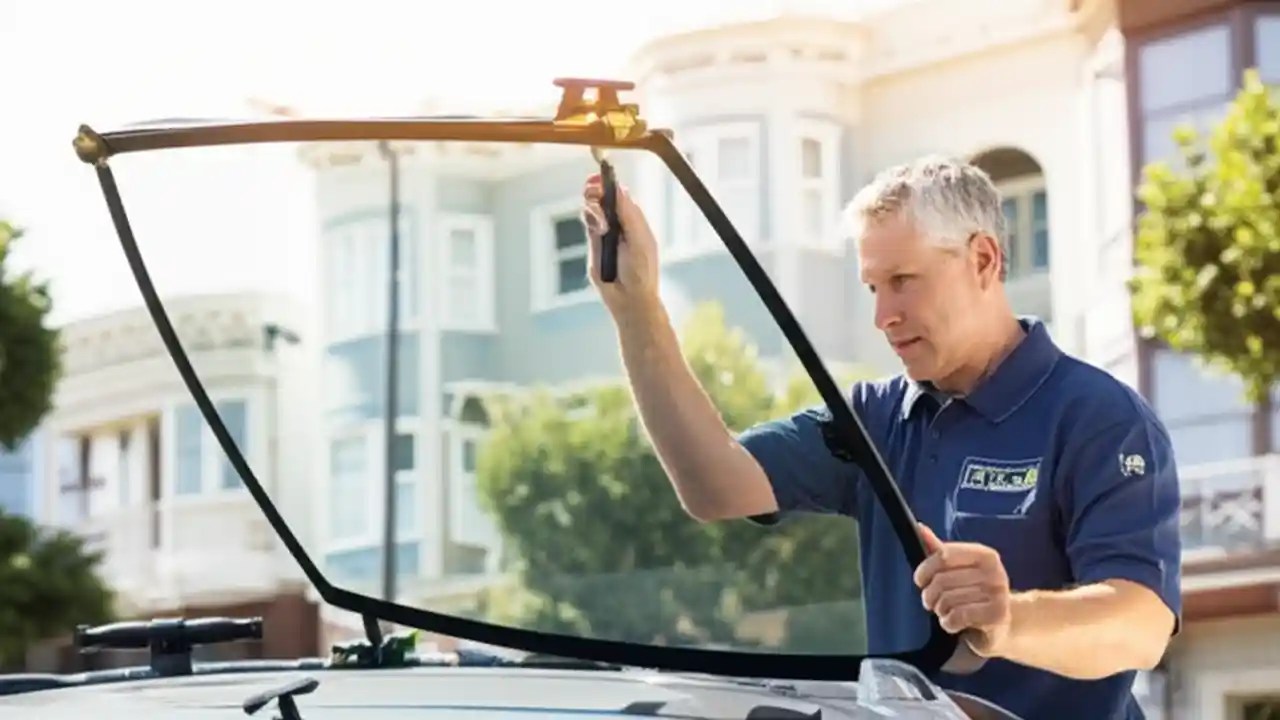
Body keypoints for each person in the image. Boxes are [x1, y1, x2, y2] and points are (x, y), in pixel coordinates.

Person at [580, 154, 1181, 720]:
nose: (883, 315)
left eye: (903, 280)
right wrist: (636, 310)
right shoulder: (874, 419)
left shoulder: (1098, 417)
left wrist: (1008, 620)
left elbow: (1141, 625)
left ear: (983, 261)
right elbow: (716, 484)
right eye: (873, 286)